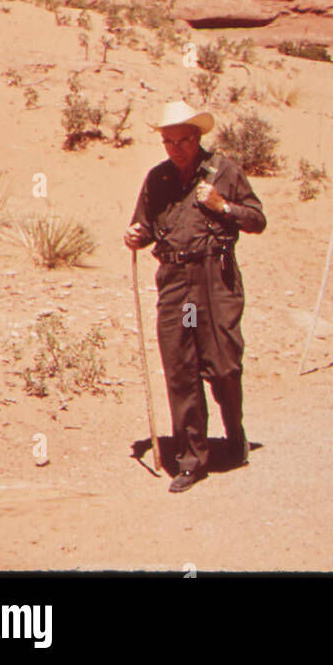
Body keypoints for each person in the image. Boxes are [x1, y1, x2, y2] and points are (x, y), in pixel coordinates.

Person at [125, 100, 266, 492]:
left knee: (221, 364)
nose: (174, 148)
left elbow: (257, 220)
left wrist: (223, 206)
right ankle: (191, 457)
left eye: (181, 141)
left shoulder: (225, 171)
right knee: (181, 362)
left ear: (197, 137)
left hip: (213, 281)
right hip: (178, 288)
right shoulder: (158, 179)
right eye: (167, 141)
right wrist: (135, 236)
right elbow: (145, 227)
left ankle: (234, 432)